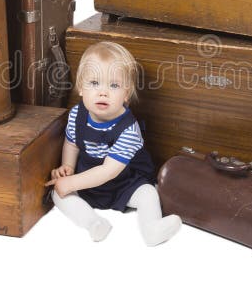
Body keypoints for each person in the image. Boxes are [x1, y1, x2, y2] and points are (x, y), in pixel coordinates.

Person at [45, 41, 181, 245]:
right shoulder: (76, 115)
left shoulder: (129, 129)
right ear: (81, 87)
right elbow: (72, 143)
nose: (103, 92)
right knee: (57, 193)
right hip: (87, 181)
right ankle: (93, 223)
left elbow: (109, 171)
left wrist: (72, 183)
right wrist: (68, 168)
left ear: (126, 94)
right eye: (94, 83)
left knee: (149, 193)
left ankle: (152, 229)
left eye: (114, 85)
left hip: (123, 184)